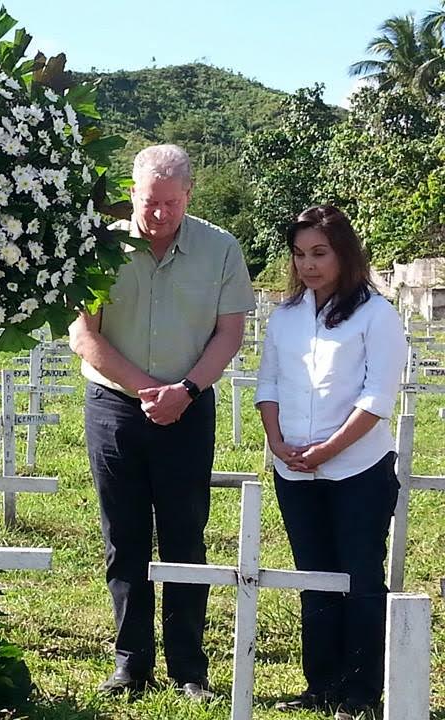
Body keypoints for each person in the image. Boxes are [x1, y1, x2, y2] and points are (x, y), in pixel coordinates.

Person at [69, 144, 255, 700]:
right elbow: (84, 334)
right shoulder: (100, 248)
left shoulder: (220, 248)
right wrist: (146, 389)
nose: (160, 214)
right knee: (122, 535)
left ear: (189, 195)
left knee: (184, 534)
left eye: (172, 203)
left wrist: (187, 389)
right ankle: (131, 662)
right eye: (151, 202)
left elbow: (229, 333)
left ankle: (188, 668)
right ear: (133, 194)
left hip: (189, 404)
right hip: (115, 406)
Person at [254, 205, 406, 720]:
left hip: (358, 469)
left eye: (319, 253)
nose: (308, 265)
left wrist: (328, 451)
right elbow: (269, 383)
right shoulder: (285, 317)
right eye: (299, 255)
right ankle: (320, 684)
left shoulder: (376, 315)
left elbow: (376, 398)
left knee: (360, 576)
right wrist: (277, 440)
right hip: (294, 469)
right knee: (313, 577)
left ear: (344, 253)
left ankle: (361, 691)